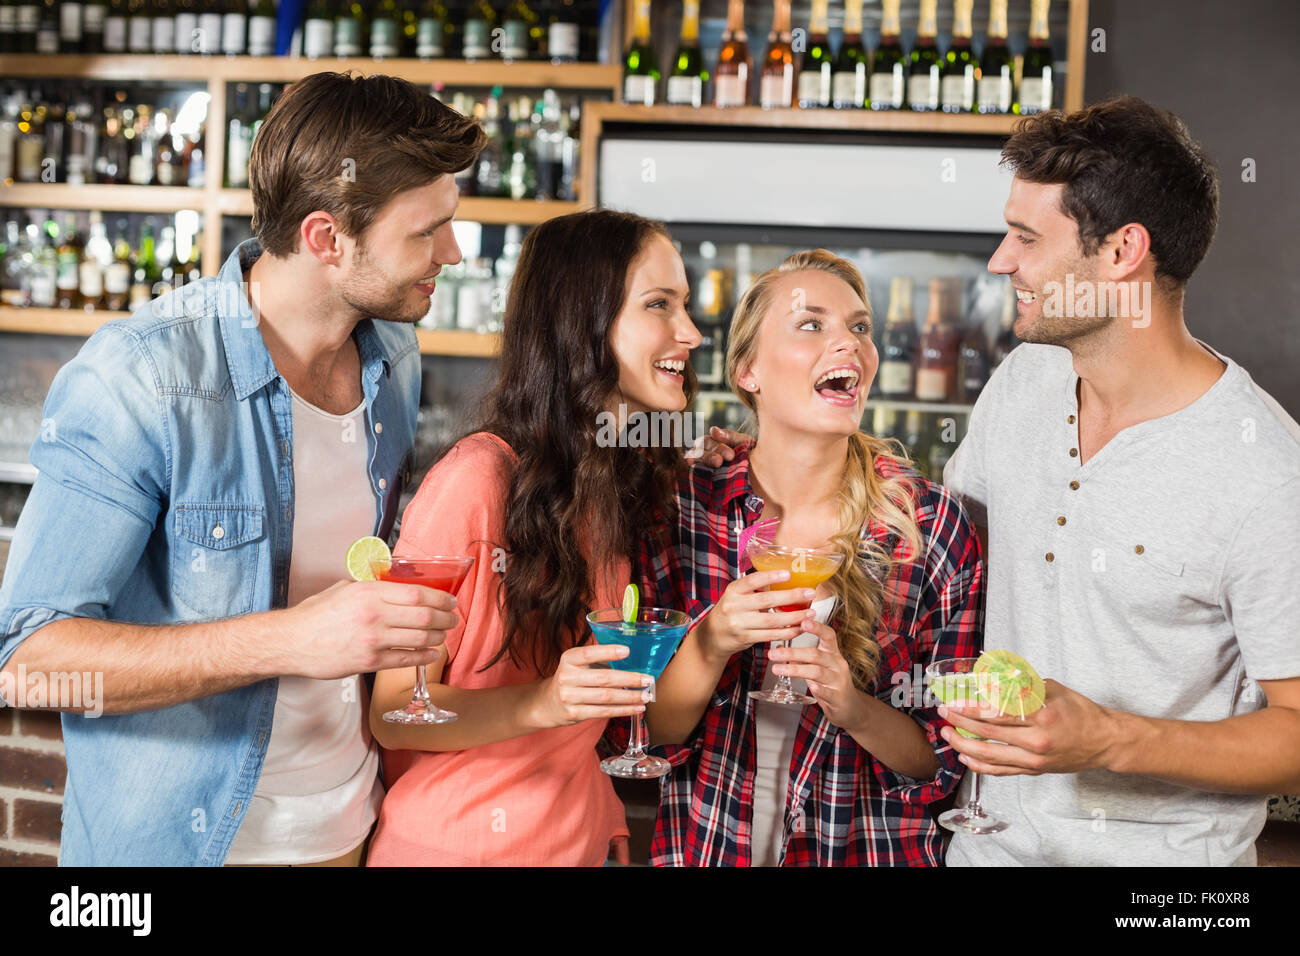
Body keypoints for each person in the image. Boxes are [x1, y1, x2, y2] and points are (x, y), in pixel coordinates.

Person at [0, 72, 486, 866]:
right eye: (427, 231)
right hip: (182, 847)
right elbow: (25, 664)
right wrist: (289, 639)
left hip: (346, 827)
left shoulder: (392, 356)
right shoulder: (141, 377)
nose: (453, 252)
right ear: (329, 238)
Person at [940, 96, 1300, 866]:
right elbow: (940, 537)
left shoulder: (1267, 474)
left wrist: (1108, 736)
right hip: (987, 851)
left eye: (1027, 238)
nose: (1002, 261)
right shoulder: (1023, 382)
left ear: (1121, 252)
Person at [365, 209, 705, 866]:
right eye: (659, 305)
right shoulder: (473, 481)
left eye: (684, 305)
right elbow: (393, 712)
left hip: (578, 843)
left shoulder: (612, 485)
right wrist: (545, 702)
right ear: (582, 320)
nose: (688, 333)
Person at [641, 249, 985, 866]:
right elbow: (646, 734)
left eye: (859, 328)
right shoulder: (688, 509)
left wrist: (852, 706)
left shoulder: (929, 528)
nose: (848, 344)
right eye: (811, 324)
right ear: (747, 370)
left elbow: (943, 765)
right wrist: (713, 638)